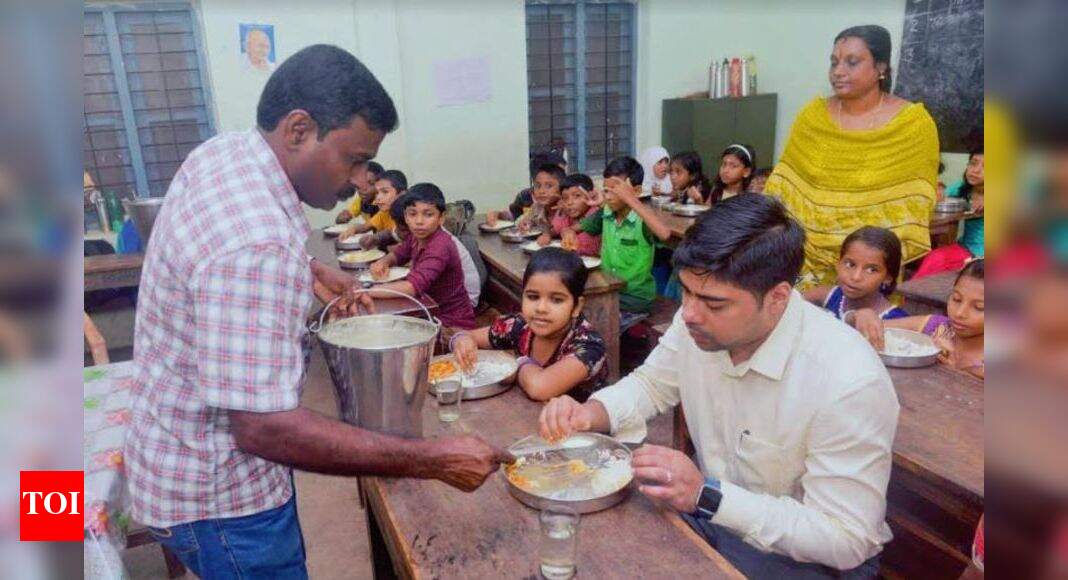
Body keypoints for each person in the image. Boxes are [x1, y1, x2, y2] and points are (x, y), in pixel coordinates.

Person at [125, 45, 511, 578]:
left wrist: (309, 266)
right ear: (298, 129)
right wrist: (432, 459)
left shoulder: (229, 154)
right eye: (355, 160)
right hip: (223, 502)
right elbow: (263, 428)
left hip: (177, 462)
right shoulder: (255, 243)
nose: (361, 180)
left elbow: (228, 251)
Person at [540, 194, 898, 578]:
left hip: (808, 560)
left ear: (778, 297)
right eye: (686, 292)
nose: (689, 314)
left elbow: (845, 537)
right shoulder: (698, 322)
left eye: (714, 303)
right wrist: (589, 413)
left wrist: (706, 495)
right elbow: (651, 384)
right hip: (713, 516)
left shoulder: (848, 380)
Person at [764, 24, 939, 289]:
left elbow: (913, 203)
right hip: (803, 262)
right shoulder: (812, 117)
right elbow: (784, 189)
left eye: (852, 62)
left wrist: (857, 256)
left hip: (867, 271)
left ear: (880, 67)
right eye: (834, 62)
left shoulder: (911, 125)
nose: (838, 71)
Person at [449, 248, 608, 402]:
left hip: (573, 419)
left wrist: (517, 363)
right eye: (533, 297)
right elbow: (468, 336)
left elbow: (539, 387)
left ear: (577, 306)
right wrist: (461, 340)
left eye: (557, 300)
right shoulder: (520, 325)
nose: (541, 308)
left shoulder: (588, 346)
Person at [563, 157, 672, 329]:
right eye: (606, 190)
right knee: (570, 314)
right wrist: (568, 232)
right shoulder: (606, 212)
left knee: (594, 327)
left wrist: (631, 200)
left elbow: (665, 234)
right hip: (608, 290)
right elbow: (574, 228)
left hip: (635, 299)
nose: (608, 196)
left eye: (616, 191)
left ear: (636, 191)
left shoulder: (643, 219)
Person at [850, 258, 985, 379]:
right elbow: (867, 328)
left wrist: (954, 372)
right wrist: (861, 315)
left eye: (979, 307)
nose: (960, 313)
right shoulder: (935, 326)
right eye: (956, 299)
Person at [367, 183, 477, 329]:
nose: (419, 221)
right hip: (429, 311)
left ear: (441, 218)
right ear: (406, 217)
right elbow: (399, 254)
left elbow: (412, 287)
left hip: (451, 323)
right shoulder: (416, 236)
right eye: (412, 214)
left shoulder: (440, 245)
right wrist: (384, 262)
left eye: (428, 214)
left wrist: (367, 291)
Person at [804, 226, 909, 321]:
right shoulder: (827, 296)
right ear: (838, 263)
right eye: (850, 264)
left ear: (888, 277)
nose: (856, 277)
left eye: (871, 270)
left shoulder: (897, 321)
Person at [913, 147, 985, 278]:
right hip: (966, 249)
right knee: (935, 258)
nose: (976, 170)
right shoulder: (961, 188)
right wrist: (937, 190)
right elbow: (940, 198)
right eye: (973, 163)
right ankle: (911, 291)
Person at [491, 163, 565, 235]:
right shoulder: (537, 207)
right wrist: (525, 223)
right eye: (537, 186)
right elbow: (519, 220)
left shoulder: (567, 210)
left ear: (562, 188)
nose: (541, 191)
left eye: (549, 186)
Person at [543, 173, 600, 256]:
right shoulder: (565, 213)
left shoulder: (596, 212)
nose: (570, 202)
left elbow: (588, 245)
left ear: (591, 196)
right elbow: (553, 230)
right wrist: (547, 235)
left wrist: (567, 232)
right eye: (565, 198)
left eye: (577, 196)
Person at [342, 169, 406, 241]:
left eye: (385, 192)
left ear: (402, 194)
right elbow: (365, 227)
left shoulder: (408, 215)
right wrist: (354, 229)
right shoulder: (384, 213)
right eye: (377, 193)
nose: (378, 198)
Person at [505, 151, 567, 220]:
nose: (542, 191)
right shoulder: (526, 197)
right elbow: (516, 215)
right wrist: (499, 215)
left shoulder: (569, 200)